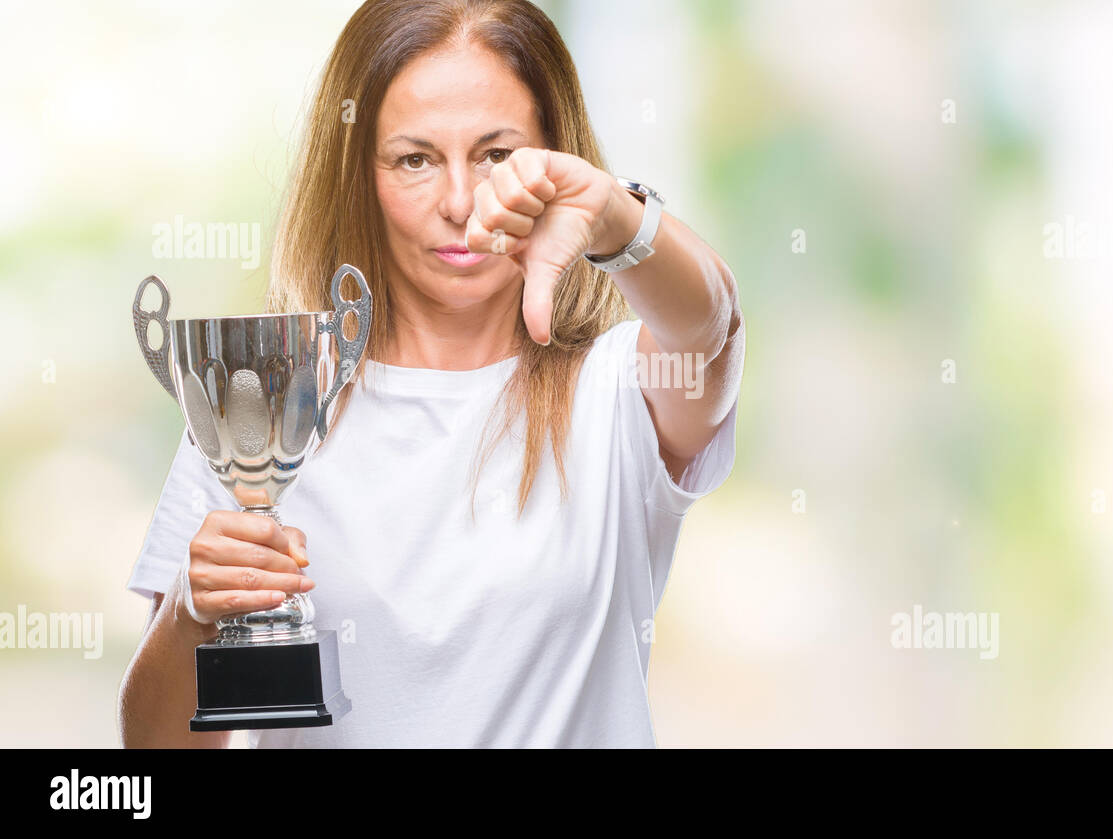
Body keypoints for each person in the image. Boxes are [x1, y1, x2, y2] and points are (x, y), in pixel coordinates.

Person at [118, 0, 744, 748]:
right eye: (414, 159)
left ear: (556, 159)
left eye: (497, 156)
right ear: (359, 174)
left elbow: (713, 328)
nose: (458, 202)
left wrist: (616, 213)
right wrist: (194, 609)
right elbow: (154, 754)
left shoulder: (618, 393)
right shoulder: (265, 402)